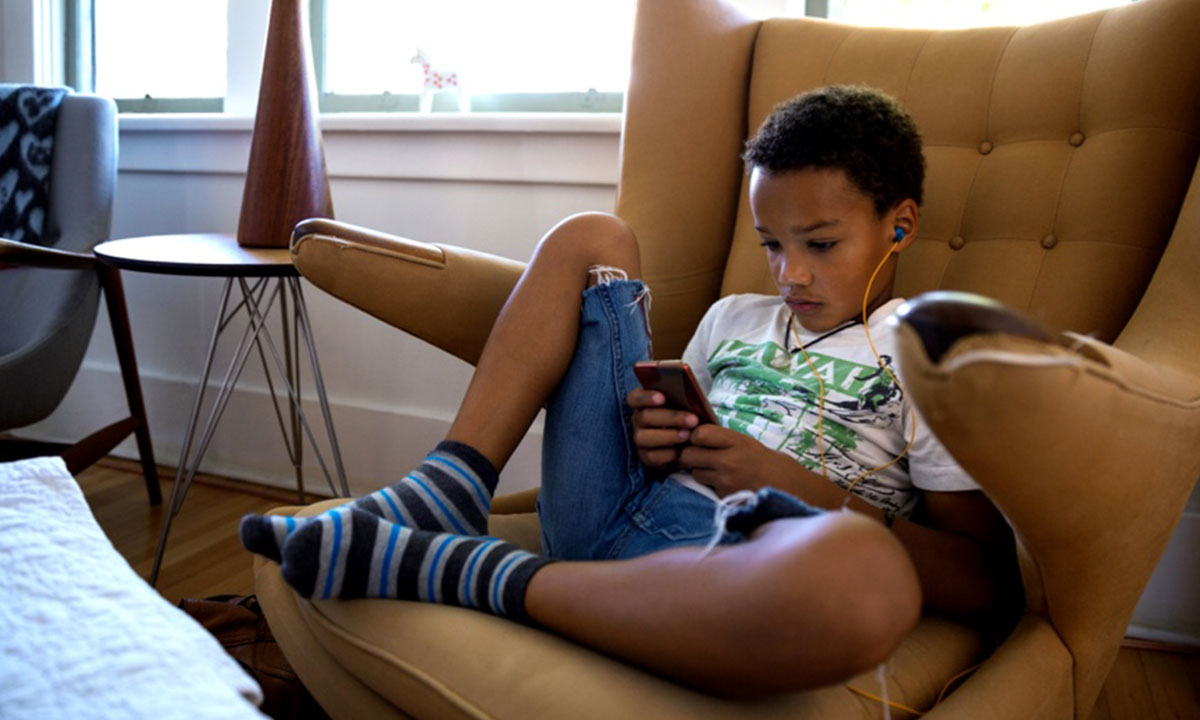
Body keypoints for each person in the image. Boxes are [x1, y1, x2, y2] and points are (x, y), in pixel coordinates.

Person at [240, 85, 1017, 697]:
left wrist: (793, 487)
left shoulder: (930, 358)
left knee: (863, 580)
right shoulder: (733, 320)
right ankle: (447, 488)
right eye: (771, 245)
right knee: (594, 236)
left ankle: (480, 575)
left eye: (820, 244)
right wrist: (656, 434)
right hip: (614, 502)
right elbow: (667, 420)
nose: (791, 275)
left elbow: (981, 581)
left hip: (735, 571)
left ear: (901, 226)